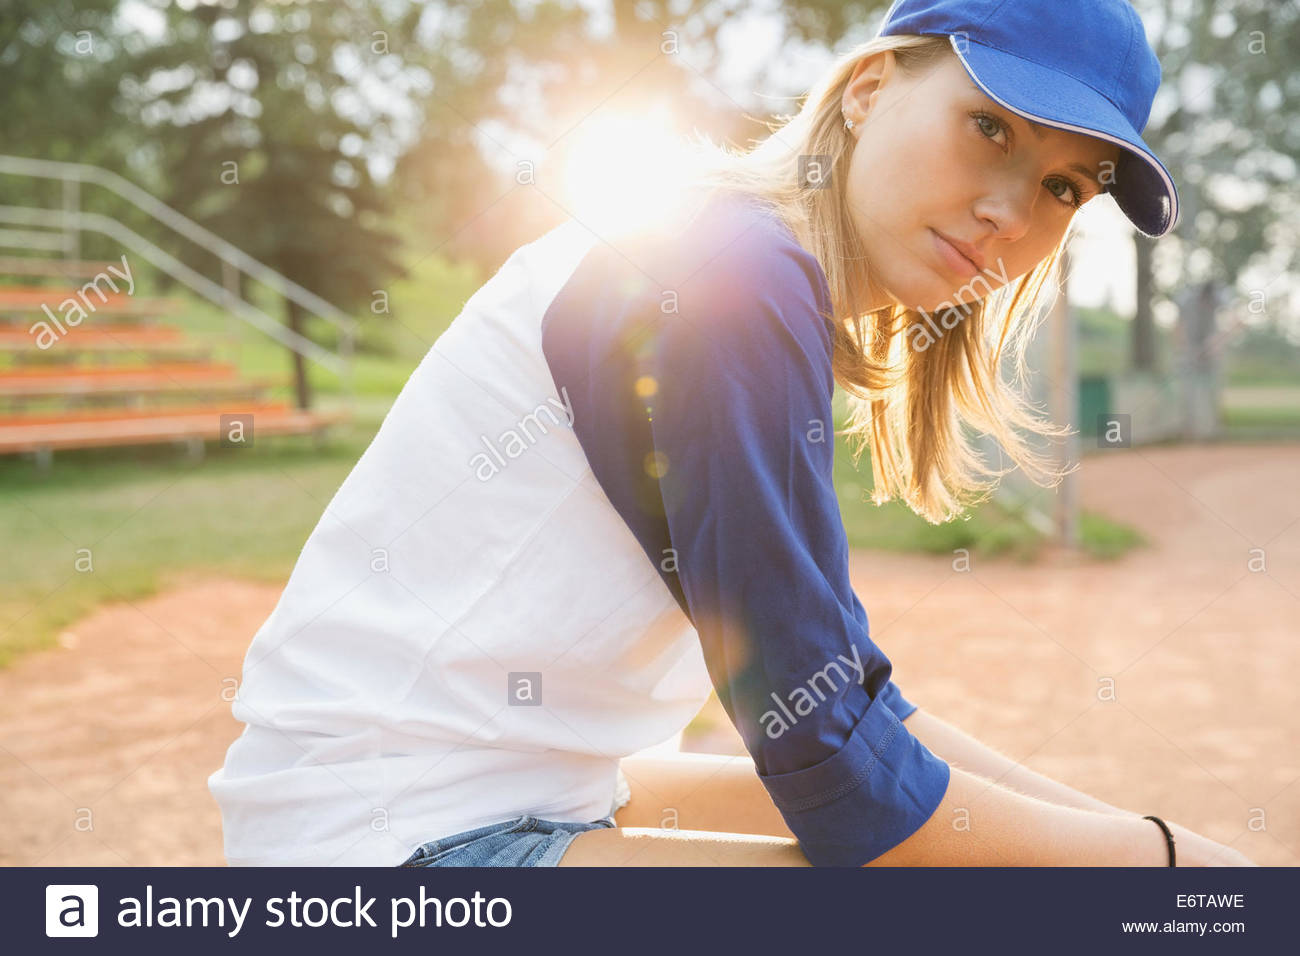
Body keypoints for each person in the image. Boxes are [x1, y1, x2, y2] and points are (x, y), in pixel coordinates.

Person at [208, 0, 1256, 867]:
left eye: (1061, 188)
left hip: (476, 797)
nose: (1008, 213)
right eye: (991, 127)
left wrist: (1145, 844)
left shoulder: (737, 255)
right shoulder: (730, 275)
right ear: (869, 84)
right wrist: (1159, 866)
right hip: (385, 845)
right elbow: (841, 774)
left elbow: (846, 704)